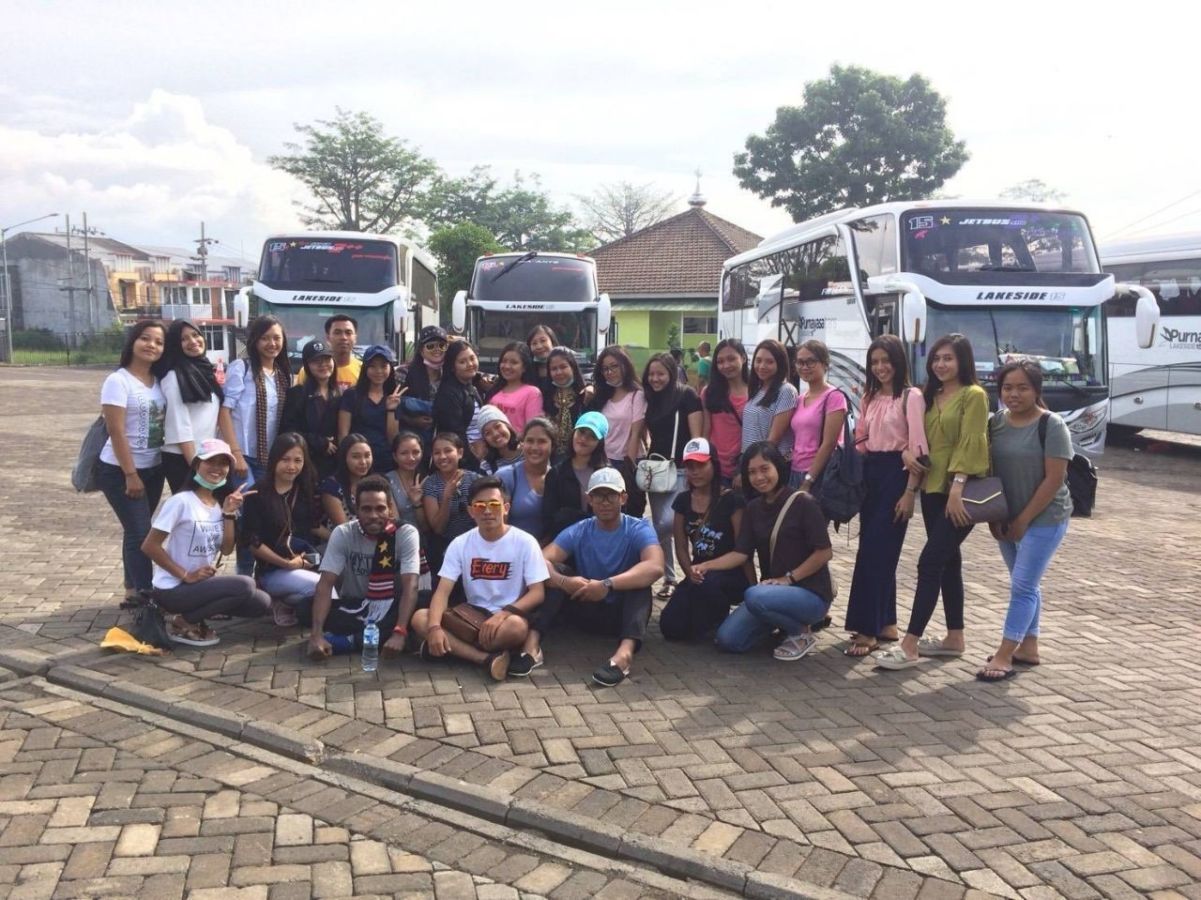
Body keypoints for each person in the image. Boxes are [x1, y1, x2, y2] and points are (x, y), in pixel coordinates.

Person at [873, 334, 990, 670]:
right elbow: (916, 437)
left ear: (963, 361)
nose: (941, 364)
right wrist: (908, 452)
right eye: (936, 358)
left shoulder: (974, 396)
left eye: (948, 358)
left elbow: (972, 442)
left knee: (929, 563)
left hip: (960, 493)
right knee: (949, 561)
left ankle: (909, 645)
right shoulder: (929, 395)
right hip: (933, 489)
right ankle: (955, 638)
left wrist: (958, 486)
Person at [977, 360, 1073, 682]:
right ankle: (1029, 647)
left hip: (1046, 518)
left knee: (1022, 585)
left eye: (1022, 388)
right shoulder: (995, 424)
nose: (1014, 394)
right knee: (1024, 582)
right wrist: (995, 515)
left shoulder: (1052, 425)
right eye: (1007, 388)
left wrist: (1023, 520)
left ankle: (1005, 654)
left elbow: (1054, 480)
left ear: (1036, 390)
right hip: (1007, 517)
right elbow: (988, 471)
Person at [697, 441, 834, 660]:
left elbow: (824, 552)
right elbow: (741, 554)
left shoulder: (803, 503)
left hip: (811, 594)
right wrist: (705, 566)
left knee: (754, 595)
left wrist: (789, 579)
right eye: (751, 472)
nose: (759, 477)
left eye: (764, 469)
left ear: (778, 467)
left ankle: (800, 632)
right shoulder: (753, 508)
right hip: (772, 595)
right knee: (728, 639)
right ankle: (779, 623)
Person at [411, 476, 550, 681]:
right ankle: (485, 659)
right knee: (421, 618)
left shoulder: (525, 542)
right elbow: (442, 591)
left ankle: (451, 650)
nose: (487, 511)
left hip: (507, 618)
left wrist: (502, 614)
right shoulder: (460, 543)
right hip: (469, 617)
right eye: (480, 506)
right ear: (471, 511)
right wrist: (434, 628)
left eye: (494, 505)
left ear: (506, 508)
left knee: (518, 628)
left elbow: (538, 593)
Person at [844, 335, 928, 656]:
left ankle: (866, 630)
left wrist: (909, 494)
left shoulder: (912, 397)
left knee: (877, 554)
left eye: (886, 361)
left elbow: (918, 449)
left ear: (898, 361)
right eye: (874, 362)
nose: (880, 368)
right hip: (871, 475)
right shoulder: (869, 397)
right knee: (872, 549)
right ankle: (886, 622)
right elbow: (862, 441)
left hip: (898, 476)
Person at [540, 468, 665, 687]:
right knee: (558, 569)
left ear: (623, 498)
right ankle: (532, 645)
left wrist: (608, 584)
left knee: (641, 584)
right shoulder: (579, 529)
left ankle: (624, 654)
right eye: (598, 496)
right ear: (590, 499)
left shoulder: (639, 527)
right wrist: (565, 582)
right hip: (585, 609)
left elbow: (655, 566)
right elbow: (539, 561)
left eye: (611, 495)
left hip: (620, 614)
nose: (604, 502)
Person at [141, 439, 268, 646]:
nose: (217, 469)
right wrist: (186, 575)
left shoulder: (219, 504)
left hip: (199, 585)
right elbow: (149, 546)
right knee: (245, 583)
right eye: (211, 462)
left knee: (261, 603)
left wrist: (228, 514)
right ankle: (184, 621)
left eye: (224, 464)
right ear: (197, 465)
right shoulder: (180, 502)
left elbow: (226, 550)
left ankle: (193, 616)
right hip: (172, 588)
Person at [308, 474, 420, 659]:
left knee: (420, 604)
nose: (373, 515)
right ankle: (379, 638)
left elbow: (411, 585)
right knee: (306, 608)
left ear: (390, 509)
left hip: (392, 607)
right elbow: (326, 583)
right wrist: (316, 634)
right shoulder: (343, 533)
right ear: (356, 509)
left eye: (380, 508)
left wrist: (399, 631)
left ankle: (351, 641)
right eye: (366, 509)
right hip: (355, 606)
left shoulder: (405, 533)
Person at [97, 320, 168, 607]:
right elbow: (115, 430)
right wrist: (130, 473)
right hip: (119, 470)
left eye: (159, 342)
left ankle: (131, 589)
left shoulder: (159, 381)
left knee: (135, 529)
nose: (151, 345)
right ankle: (145, 594)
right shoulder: (118, 380)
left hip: (153, 467)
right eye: (145, 339)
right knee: (142, 532)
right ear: (132, 343)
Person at [659, 439, 750, 641]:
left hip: (729, 573)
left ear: (714, 465)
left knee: (701, 618)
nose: (695, 472)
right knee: (670, 626)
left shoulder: (732, 500)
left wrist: (752, 588)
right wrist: (688, 572)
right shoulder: (682, 501)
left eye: (701, 465)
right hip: (699, 575)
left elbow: (742, 552)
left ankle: (726, 619)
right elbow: (681, 546)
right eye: (690, 466)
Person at [241, 432, 327, 628]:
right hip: (274, 570)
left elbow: (314, 527)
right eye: (285, 460)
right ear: (274, 460)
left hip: (306, 562)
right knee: (322, 588)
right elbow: (252, 543)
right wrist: (287, 564)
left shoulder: (306, 489)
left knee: (337, 580)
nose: (292, 466)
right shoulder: (257, 493)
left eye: (298, 460)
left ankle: (284, 602)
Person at [639, 352, 703, 601]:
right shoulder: (649, 399)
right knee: (662, 526)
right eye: (651, 374)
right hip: (655, 471)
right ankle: (670, 578)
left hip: (681, 468)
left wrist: (696, 467)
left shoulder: (686, 395)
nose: (655, 379)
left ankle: (692, 572)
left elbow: (697, 436)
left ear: (671, 373)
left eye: (661, 373)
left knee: (667, 524)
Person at [219, 315, 291, 489]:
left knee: (261, 506)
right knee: (246, 501)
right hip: (242, 453)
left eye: (276, 338)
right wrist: (236, 455)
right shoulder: (241, 368)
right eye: (264, 338)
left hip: (269, 456)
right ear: (255, 341)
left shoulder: (283, 376)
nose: (272, 343)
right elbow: (224, 412)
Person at [156, 319, 223, 493]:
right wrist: (196, 467)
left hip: (204, 455)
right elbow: (180, 425)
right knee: (190, 511)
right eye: (184, 339)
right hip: (183, 458)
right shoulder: (173, 376)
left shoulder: (205, 371)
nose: (193, 341)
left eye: (195, 335)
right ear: (175, 345)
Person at [589, 345, 647, 517]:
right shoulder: (601, 396)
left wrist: (628, 468)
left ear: (625, 365)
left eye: (614, 366)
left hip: (628, 462)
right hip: (603, 461)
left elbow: (636, 433)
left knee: (630, 513)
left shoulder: (637, 395)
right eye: (605, 368)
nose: (609, 372)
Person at [789, 340, 847, 492]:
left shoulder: (834, 397)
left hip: (818, 475)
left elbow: (829, 443)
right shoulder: (801, 398)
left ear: (825, 364)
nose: (805, 367)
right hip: (794, 471)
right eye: (800, 362)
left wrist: (809, 480)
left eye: (811, 362)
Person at [542, 411, 610, 541]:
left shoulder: (607, 474)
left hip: (600, 540)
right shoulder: (556, 473)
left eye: (592, 436)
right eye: (581, 432)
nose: (583, 439)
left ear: (599, 442)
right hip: (565, 542)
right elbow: (549, 517)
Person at [421, 431, 481, 573]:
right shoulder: (431, 483)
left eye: (448, 451)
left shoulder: (475, 479)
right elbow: (438, 528)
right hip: (446, 548)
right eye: (437, 453)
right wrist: (447, 495)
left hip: (476, 545)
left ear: (460, 453)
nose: (442, 457)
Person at [281, 339, 341, 480]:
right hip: (305, 464)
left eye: (327, 359)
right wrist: (319, 442)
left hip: (334, 466)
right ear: (307, 366)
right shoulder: (296, 394)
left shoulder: (341, 395)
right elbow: (287, 430)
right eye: (316, 361)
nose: (323, 365)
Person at [338, 344, 401, 474]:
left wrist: (391, 409)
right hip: (357, 462)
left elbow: (393, 439)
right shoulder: (351, 395)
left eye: (383, 366)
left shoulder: (395, 396)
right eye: (373, 366)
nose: (378, 371)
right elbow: (343, 434)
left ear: (390, 368)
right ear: (365, 368)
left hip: (385, 462)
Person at [496, 418, 555, 541]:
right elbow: (496, 526)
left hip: (548, 552)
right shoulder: (506, 476)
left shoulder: (558, 477)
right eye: (530, 441)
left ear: (553, 446)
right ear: (522, 444)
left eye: (542, 441)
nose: (534, 447)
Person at [742, 339, 799, 465]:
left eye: (769, 362)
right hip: (751, 461)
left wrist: (755, 465)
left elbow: (773, 440)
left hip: (770, 464)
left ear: (780, 364)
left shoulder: (786, 391)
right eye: (758, 360)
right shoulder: (757, 389)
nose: (762, 366)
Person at [701, 339, 749, 486]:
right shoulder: (709, 393)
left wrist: (743, 470)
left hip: (746, 468)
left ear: (744, 358)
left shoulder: (757, 392)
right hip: (717, 469)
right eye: (720, 361)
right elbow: (706, 430)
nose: (726, 365)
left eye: (731, 359)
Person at [433, 340, 488, 468]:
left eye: (472, 358)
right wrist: (473, 459)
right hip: (465, 460)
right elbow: (455, 433)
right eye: (462, 362)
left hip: (482, 456)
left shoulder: (472, 387)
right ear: (453, 367)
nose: (470, 364)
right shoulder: (449, 394)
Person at [396, 325, 447, 441]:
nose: (437, 349)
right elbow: (392, 405)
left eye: (442, 346)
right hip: (410, 437)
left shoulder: (451, 374)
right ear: (421, 350)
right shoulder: (403, 373)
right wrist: (411, 420)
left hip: (442, 437)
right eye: (430, 346)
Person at [484, 341, 544, 435]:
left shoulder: (532, 393)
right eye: (504, 361)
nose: (507, 366)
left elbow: (532, 430)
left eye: (514, 363)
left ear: (524, 367)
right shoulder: (494, 390)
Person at [541, 346, 587, 458]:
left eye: (563, 367)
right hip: (551, 454)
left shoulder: (585, 394)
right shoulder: (545, 394)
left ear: (573, 367)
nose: (559, 372)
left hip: (580, 454)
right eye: (554, 369)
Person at [295, 314, 361, 391]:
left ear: (355, 338)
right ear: (328, 337)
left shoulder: (363, 370)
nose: (343, 337)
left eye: (348, 333)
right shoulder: (308, 371)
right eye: (337, 332)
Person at [320, 434, 374, 527]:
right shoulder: (332, 487)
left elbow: (392, 520)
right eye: (356, 457)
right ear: (344, 458)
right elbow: (345, 530)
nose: (363, 462)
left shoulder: (376, 483)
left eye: (367, 455)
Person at [384, 430, 428, 530]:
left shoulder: (427, 481)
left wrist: (417, 504)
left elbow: (427, 528)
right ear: (395, 456)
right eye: (404, 453)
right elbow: (394, 522)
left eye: (416, 452)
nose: (411, 458)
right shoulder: (387, 481)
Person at [477, 405, 523, 474]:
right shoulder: (486, 467)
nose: (495, 434)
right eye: (488, 433)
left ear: (507, 425)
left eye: (497, 426)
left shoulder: (529, 452)